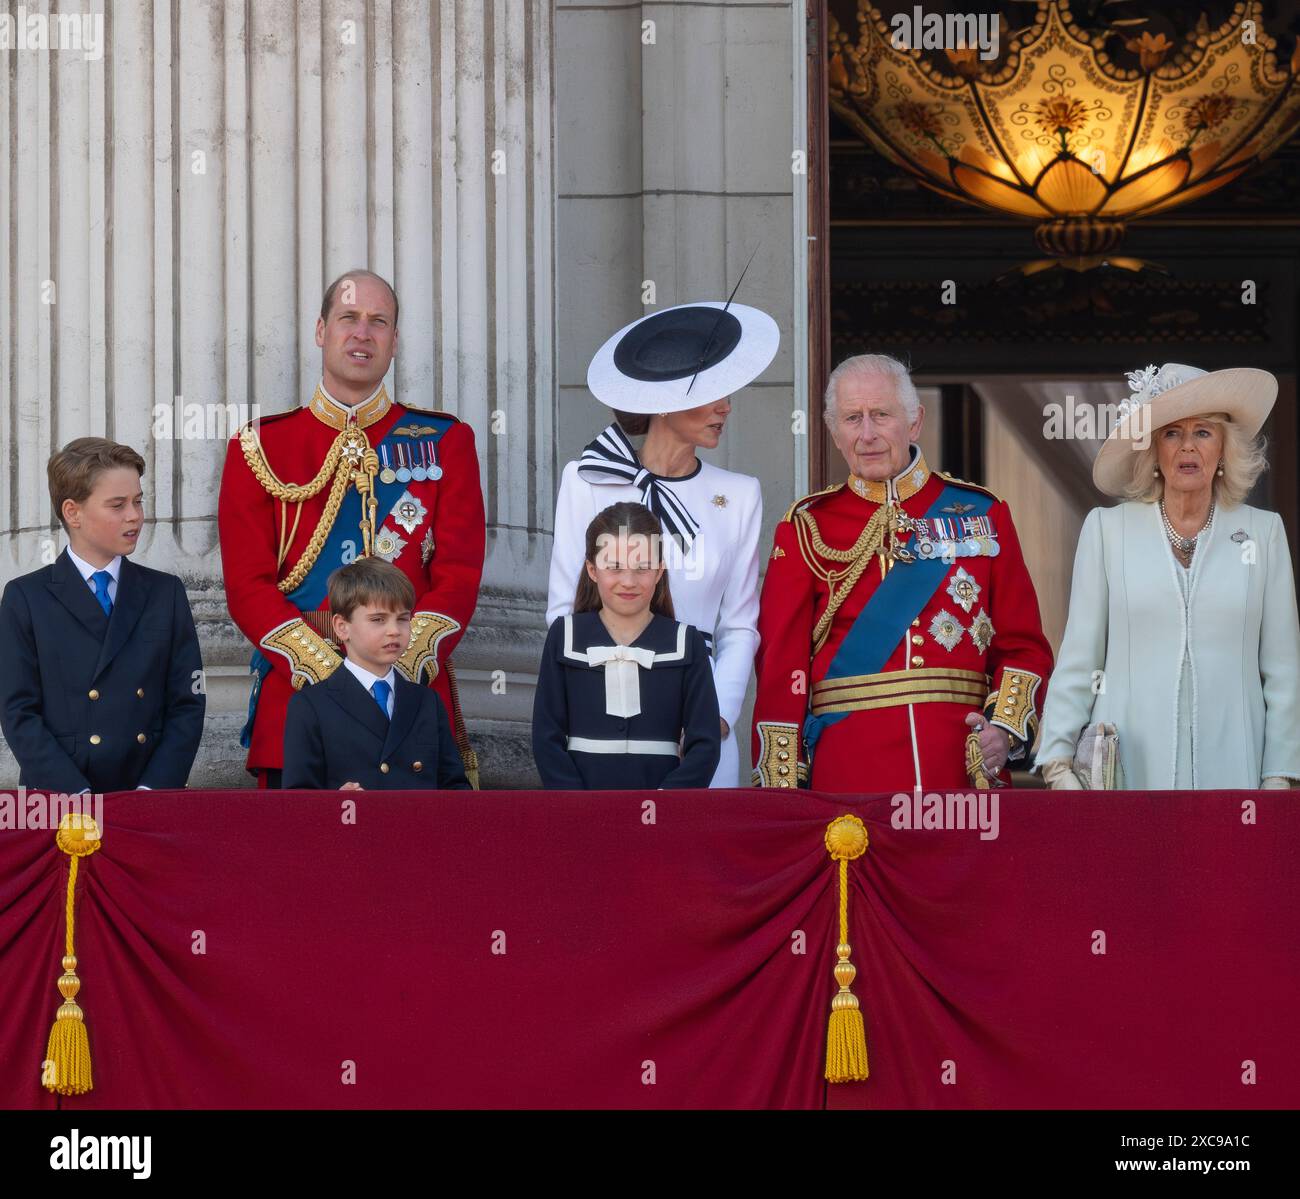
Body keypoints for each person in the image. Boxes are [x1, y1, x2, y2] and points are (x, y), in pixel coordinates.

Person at [218, 269, 485, 788]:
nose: (362, 333)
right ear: (321, 331)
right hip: (298, 698)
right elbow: (247, 585)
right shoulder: (258, 447)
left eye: (378, 321)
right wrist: (332, 674)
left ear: (394, 341)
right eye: (348, 318)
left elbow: (459, 573)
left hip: (407, 694)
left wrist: (392, 664)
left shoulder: (446, 440)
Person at [751, 354, 1054, 792]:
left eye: (881, 415)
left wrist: (1003, 731)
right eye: (852, 419)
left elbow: (1023, 646)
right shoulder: (806, 525)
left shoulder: (983, 513)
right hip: (848, 770)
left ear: (914, 422)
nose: (867, 434)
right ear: (834, 432)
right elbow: (783, 669)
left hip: (959, 768)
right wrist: (784, 790)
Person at [547, 299, 778, 788]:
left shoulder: (739, 495)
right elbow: (564, 612)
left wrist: (711, 720)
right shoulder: (588, 480)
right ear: (666, 398)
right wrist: (589, 707)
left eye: (728, 392)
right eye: (713, 391)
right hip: (601, 720)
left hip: (697, 721)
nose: (725, 407)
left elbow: (739, 625)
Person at [1037, 363, 1300, 790]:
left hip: (1236, 773)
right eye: (1171, 433)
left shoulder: (1262, 533)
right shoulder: (1108, 530)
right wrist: (1057, 762)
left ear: (1223, 449)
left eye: (1203, 432)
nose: (1187, 448)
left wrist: (1278, 776)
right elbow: (1081, 659)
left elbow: (1282, 669)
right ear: (1153, 449)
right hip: (1126, 777)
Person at [0, 438, 205, 792]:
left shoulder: (165, 593)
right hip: (61, 802)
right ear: (73, 512)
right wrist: (75, 794)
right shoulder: (25, 598)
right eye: (118, 505)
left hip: (146, 798)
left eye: (138, 501)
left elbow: (188, 703)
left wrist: (152, 791)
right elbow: (18, 713)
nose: (135, 516)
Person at [533, 502, 721, 789]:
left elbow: (705, 745)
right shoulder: (564, 635)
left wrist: (666, 802)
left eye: (642, 568)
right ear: (593, 569)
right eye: (615, 567)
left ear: (659, 572)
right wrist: (574, 803)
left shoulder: (687, 643)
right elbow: (546, 737)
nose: (629, 581)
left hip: (663, 815)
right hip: (579, 812)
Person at [282, 557, 470, 790]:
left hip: (420, 826)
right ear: (342, 627)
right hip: (350, 825)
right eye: (378, 620)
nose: (394, 631)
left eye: (403, 619)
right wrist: (332, 805)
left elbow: (455, 789)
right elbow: (298, 802)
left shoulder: (427, 702)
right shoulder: (311, 705)